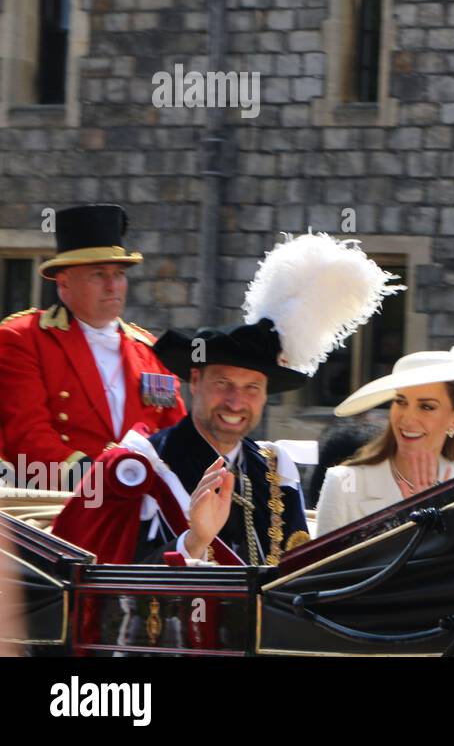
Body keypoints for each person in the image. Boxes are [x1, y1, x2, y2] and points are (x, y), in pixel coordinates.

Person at [52, 231, 403, 565]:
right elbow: (107, 585)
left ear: (266, 395)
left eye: (251, 387)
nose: (236, 402)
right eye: (223, 384)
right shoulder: (139, 466)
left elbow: (292, 574)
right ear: (194, 380)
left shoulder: (275, 470)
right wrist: (194, 542)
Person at [0, 205, 185, 487]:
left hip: (142, 505)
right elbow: (27, 436)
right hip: (59, 506)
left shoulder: (150, 351)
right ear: (64, 283)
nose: (113, 285)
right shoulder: (23, 338)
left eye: (119, 273)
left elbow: (175, 434)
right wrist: (102, 480)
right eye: (98, 274)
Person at [314, 348, 454, 536]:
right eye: (401, 402)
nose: (407, 418)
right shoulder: (343, 483)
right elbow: (322, 577)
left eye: (426, 407)